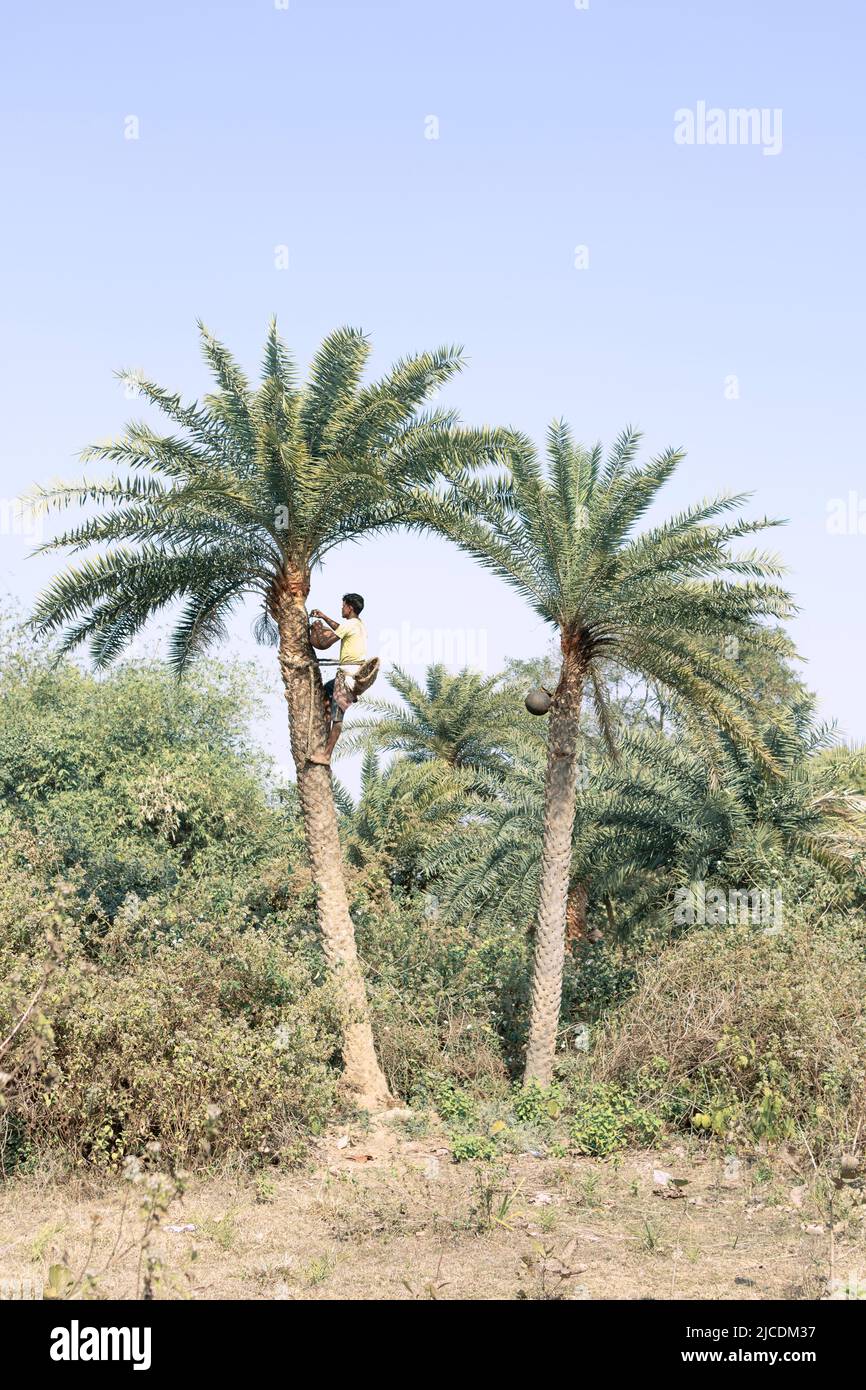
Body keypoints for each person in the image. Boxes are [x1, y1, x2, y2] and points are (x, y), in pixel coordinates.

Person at [308, 593, 367, 765]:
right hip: (354, 673)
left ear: (350, 607)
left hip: (347, 676)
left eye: (343, 605)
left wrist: (315, 632)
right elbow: (338, 628)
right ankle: (324, 731)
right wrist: (324, 617)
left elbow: (327, 642)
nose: (341, 608)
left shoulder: (350, 625)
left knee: (338, 717)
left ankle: (326, 755)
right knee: (325, 691)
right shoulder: (358, 624)